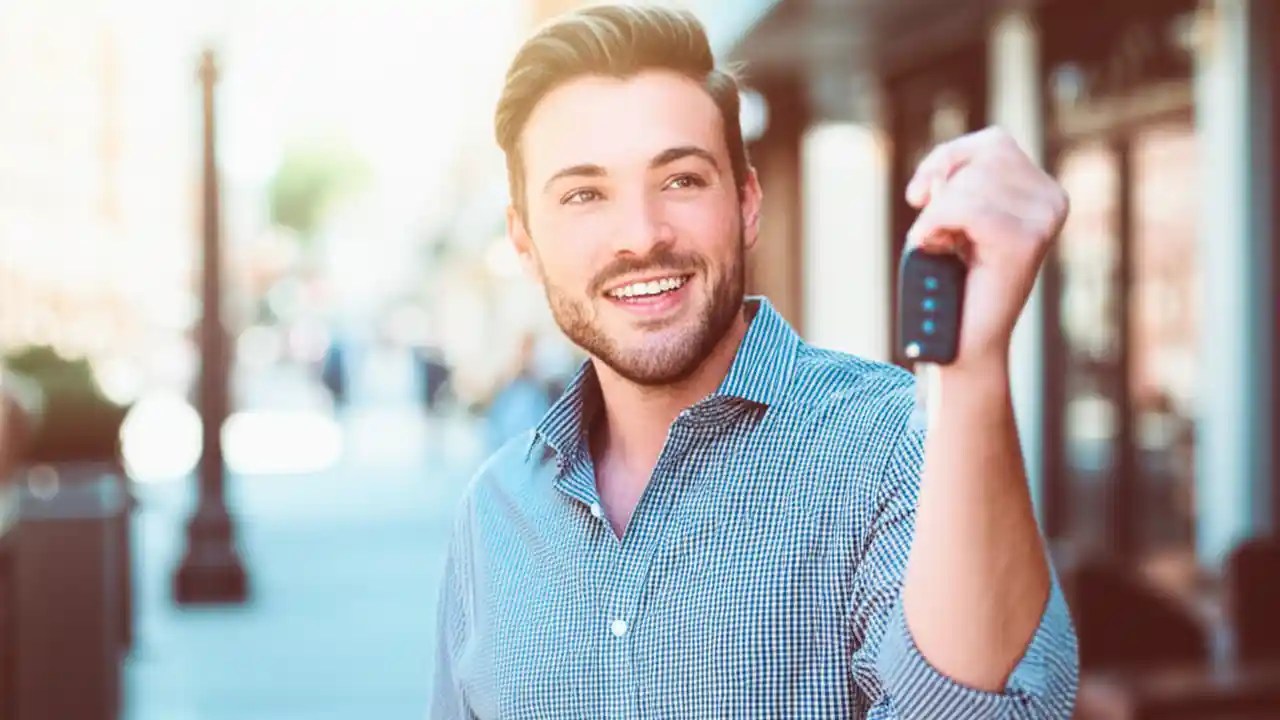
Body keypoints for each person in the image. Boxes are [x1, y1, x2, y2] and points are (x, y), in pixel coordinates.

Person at [432, 5, 1078, 718]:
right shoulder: (493, 513)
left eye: (680, 179)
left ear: (746, 202)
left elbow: (995, 712)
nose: (642, 236)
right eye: (585, 195)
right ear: (524, 242)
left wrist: (973, 362)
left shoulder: (896, 446)